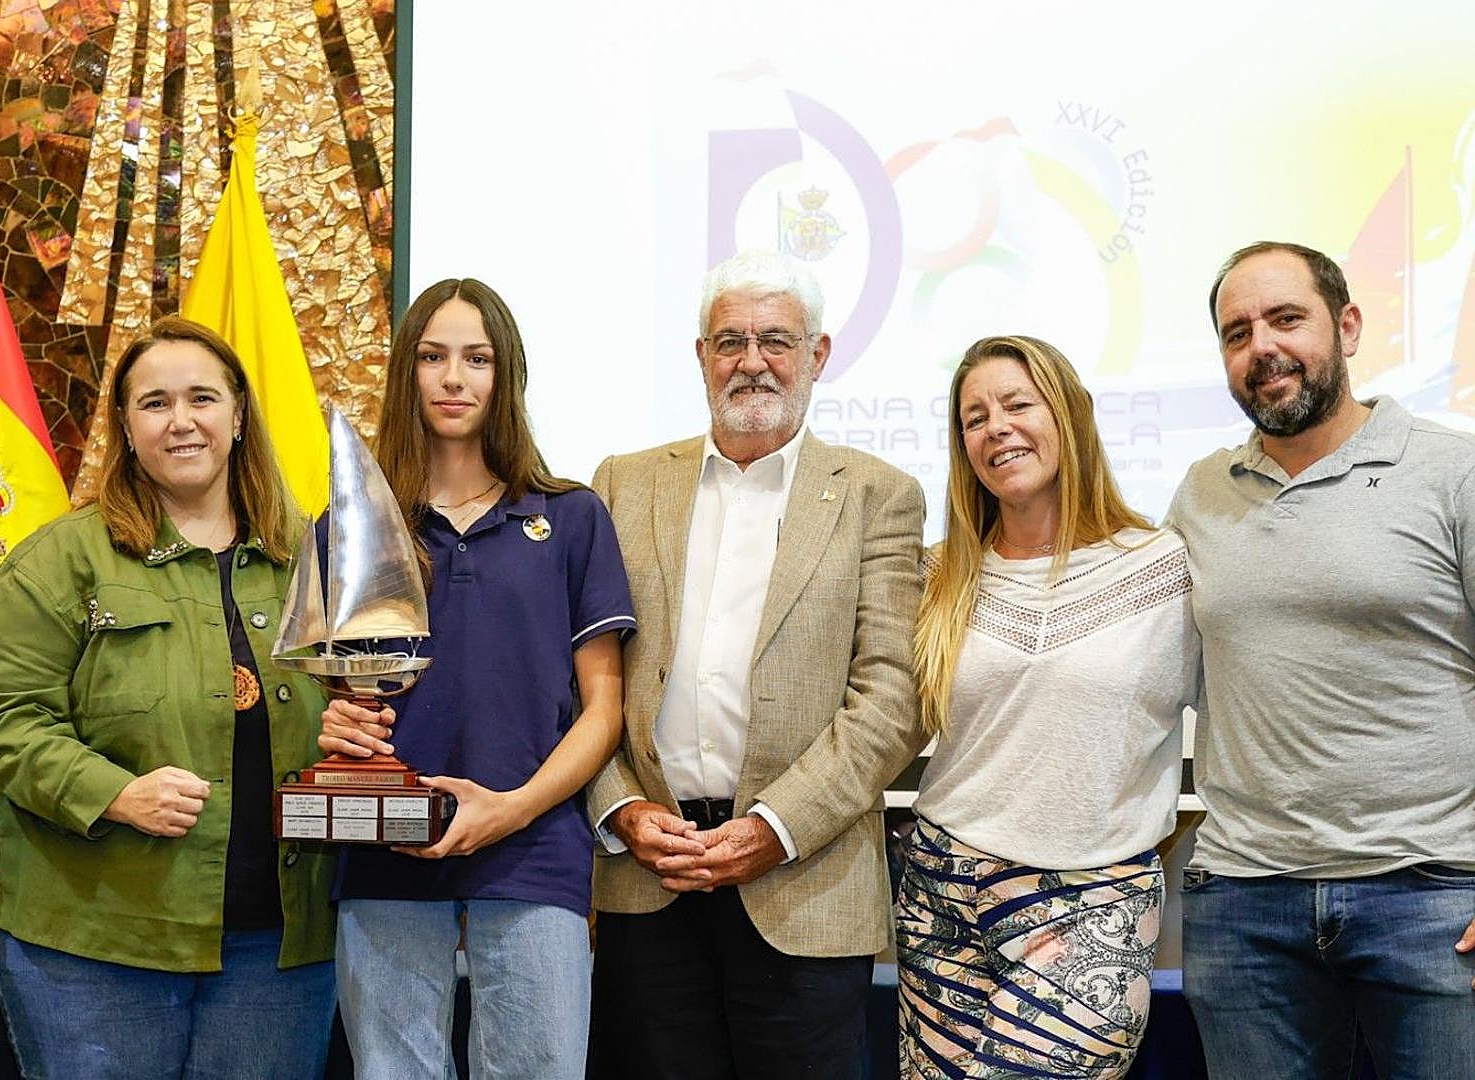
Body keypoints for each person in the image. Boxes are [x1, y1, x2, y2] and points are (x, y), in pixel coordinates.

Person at [0, 317, 336, 1080]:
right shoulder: (61, 559)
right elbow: (4, 719)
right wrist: (117, 793)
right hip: (96, 941)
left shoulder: (315, 558)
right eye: (155, 403)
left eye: (202, 397)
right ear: (126, 429)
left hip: (279, 947)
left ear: (238, 416)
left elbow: (363, 696)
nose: (182, 420)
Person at [584, 249, 926, 1077]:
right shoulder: (621, 486)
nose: (751, 360)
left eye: (776, 339)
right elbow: (577, 683)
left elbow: (891, 696)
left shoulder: (880, 493)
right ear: (701, 357)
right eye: (729, 340)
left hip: (802, 883)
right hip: (647, 875)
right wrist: (622, 810)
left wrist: (774, 830)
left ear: (818, 354)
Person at [1168, 241, 1475, 1077]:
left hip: (1434, 896)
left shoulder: (1453, 473)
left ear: (1346, 327)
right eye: (1237, 332)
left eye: (1286, 319)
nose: (1261, 346)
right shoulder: (1200, 492)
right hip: (1243, 904)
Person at [317, 278, 633, 1078]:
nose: (454, 378)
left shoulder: (570, 517)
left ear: (506, 376)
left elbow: (603, 710)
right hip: (386, 852)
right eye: (433, 356)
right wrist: (337, 727)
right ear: (407, 374)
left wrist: (510, 810)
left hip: (534, 856)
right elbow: (331, 702)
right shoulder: (350, 527)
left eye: (477, 358)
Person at [898, 335, 1196, 1078]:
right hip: (942, 892)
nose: (996, 426)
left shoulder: (1163, 568)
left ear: (1069, 415)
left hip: (1091, 900)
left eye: (1018, 404)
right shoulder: (938, 577)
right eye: (974, 417)